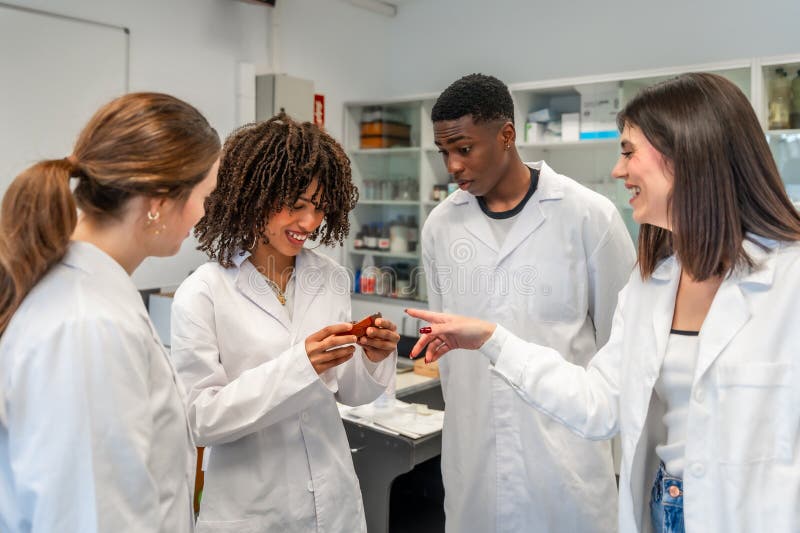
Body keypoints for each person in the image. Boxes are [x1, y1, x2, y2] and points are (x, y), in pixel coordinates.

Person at [408, 72, 800, 533]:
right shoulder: (654, 283)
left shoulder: (786, 281)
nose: (618, 170)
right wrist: (494, 340)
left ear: (687, 153)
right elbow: (603, 400)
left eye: (629, 151)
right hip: (659, 505)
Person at [421, 73, 636, 533]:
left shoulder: (587, 216)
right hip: (474, 458)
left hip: (566, 461)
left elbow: (623, 351)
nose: (453, 166)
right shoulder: (441, 226)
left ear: (506, 135)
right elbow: (439, 338)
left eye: (464, 149)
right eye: (444, 153)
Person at [0, 93, 221, 532]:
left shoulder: (89, 298)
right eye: (204, 195)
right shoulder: (90, 327)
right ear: (159, 200)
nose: (203, 213)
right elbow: (91, 518)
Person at [169, 113, 400, 532]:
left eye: (318, 207)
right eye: (295, 206)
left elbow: (350, 392)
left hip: (335, 504)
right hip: (255, 511)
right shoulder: (204, 292)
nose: (309, 223)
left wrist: (372, 358)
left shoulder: (329, 277)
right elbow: (201, 420)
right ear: (253, 197)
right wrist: (301, 366)